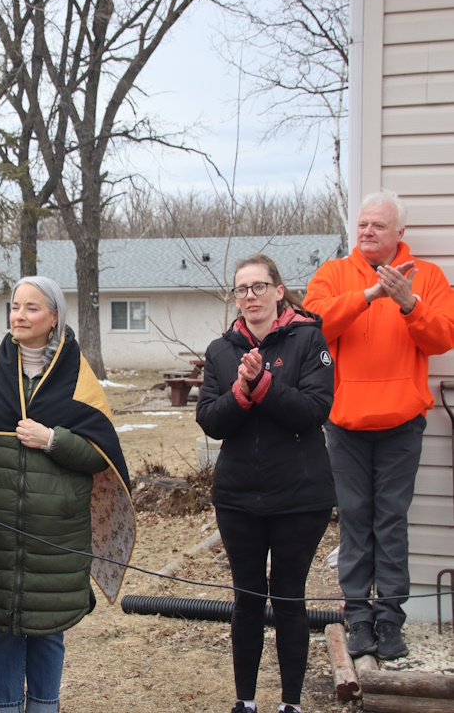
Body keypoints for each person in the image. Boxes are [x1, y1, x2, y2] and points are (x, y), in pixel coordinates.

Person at [0, 276, 130, 713]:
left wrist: (52, 439)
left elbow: (101, 456)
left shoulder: (78, 377)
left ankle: (45, 706)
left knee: (49, 634)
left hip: (58, 536)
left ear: (54, 317)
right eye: (15, 306)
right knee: (4, 633)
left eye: (32, 308)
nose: (20, 315)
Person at [303, 189, 454, 660]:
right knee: (354, 519)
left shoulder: (427, 277)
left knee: (390, 520)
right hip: (345, 423)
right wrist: (369, 295)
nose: (367, 231)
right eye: (363, 224)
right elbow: (313, 326)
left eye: (378, 226)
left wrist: (409, 304)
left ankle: (389, 619)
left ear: (399, 232)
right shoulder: (333, 275)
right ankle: (358, 617)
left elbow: (443, 337)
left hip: (402, 422)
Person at [197, 254, 336, 713]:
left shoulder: (308, 339)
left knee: (290, 599)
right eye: (242, 289)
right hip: (238, 499)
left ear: (279, 291)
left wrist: (262, 385)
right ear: (236, 298)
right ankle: (246, 701)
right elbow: (210, 420)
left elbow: (314, 411)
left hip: (301, 497)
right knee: (248, 599)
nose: (251, 296)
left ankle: (291, 703)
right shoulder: (220, 351)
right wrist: (240, 392)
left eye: (259, 286)